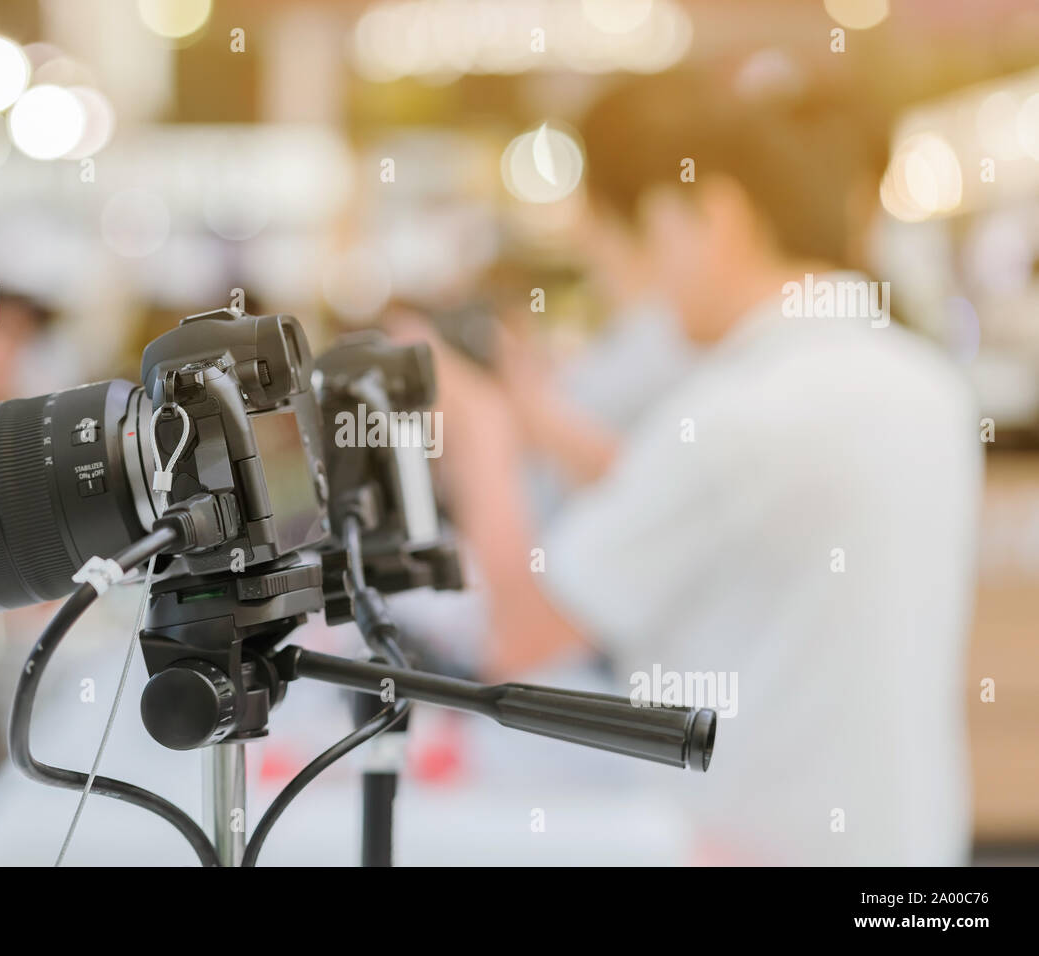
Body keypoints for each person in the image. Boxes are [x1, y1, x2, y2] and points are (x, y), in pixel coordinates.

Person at [401, 69, 983, 865]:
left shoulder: (734, 417)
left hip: (761, 851)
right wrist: (547, 426)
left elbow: (519, 638)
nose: (645, 281)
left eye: (653, 232)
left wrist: (482, 438)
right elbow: (724, 514)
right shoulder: (920, 384)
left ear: (714, 215)